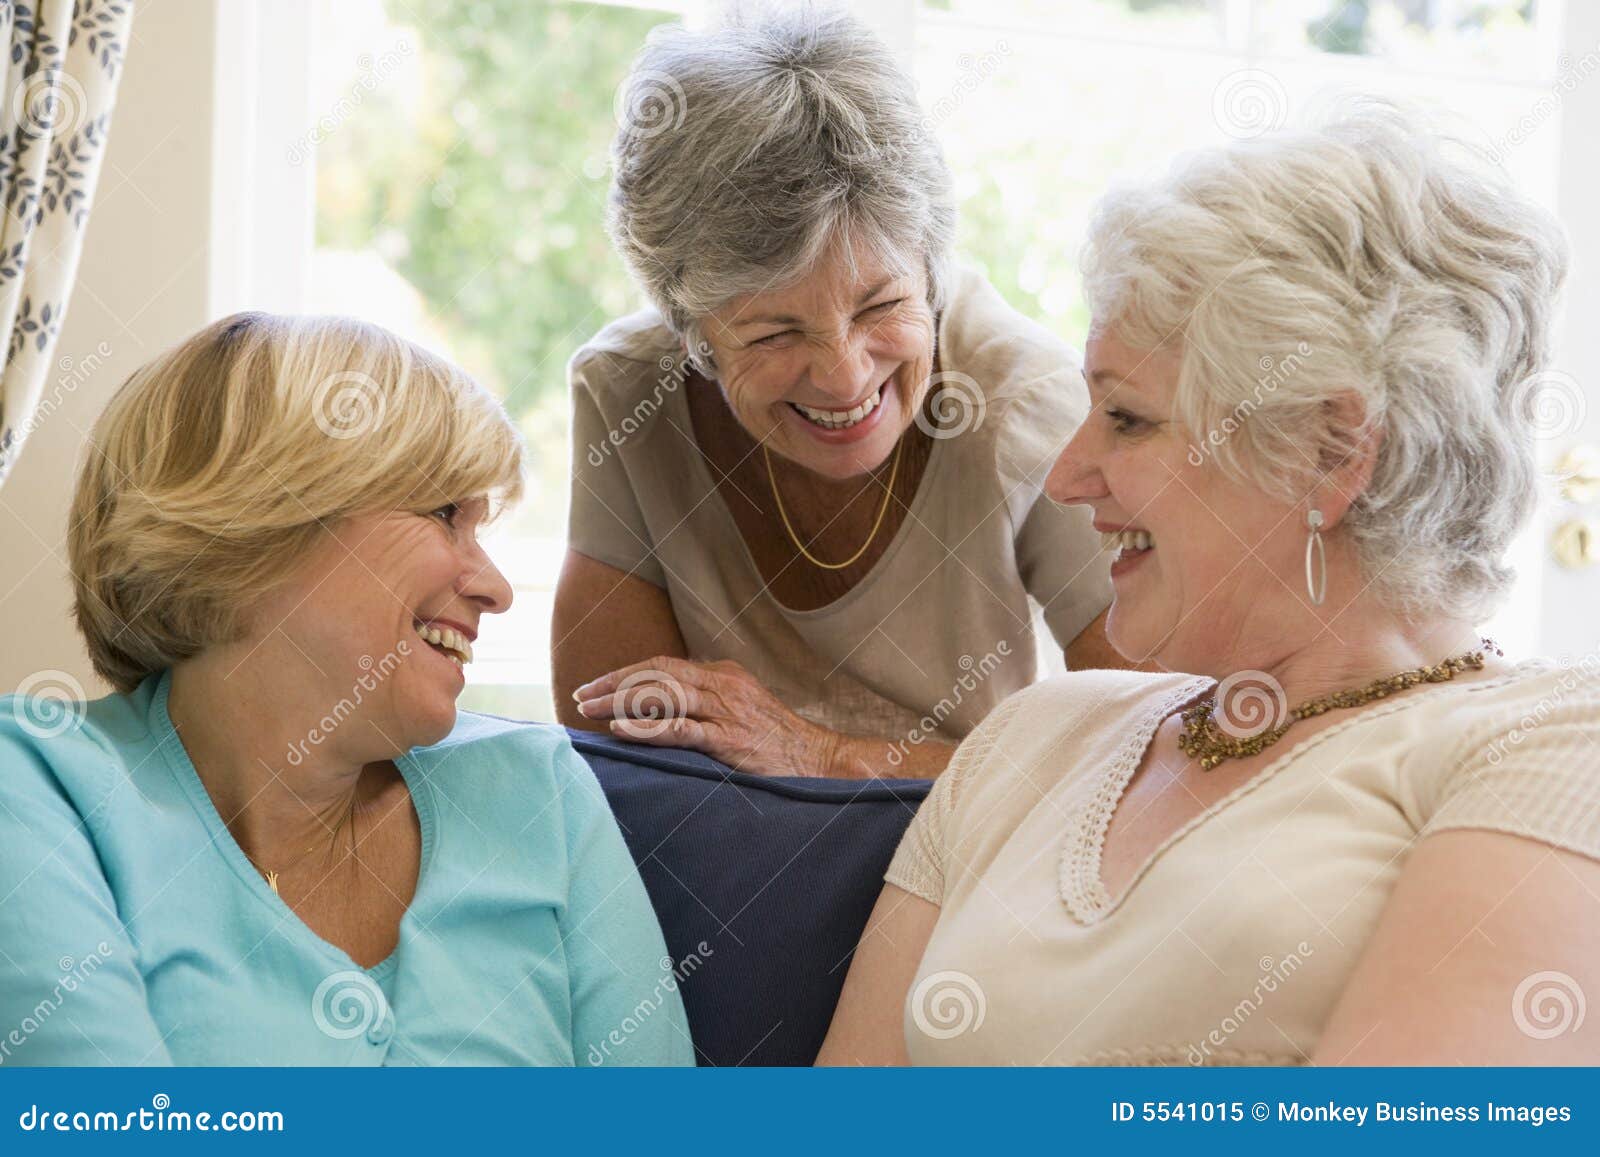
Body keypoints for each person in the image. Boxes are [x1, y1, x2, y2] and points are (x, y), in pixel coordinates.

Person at [819, 102, 1600, 1065]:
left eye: (1129, 419)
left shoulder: (1558, 745)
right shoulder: (1031, 737)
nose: (1066, 476)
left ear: (1330, 449)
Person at [0, 313, 692, 1066]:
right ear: (251, 526)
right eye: (444, 514)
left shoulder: (539, 792)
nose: (494, 587)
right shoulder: (39, 785)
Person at [554, 6, 1122, 779]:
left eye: (881, 305)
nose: (847, 376)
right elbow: (620, 771)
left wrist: (820, 757)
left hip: (964, 853)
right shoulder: (629, 391)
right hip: (718, 853)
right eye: (773, 334)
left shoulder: (1026, 400)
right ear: (692, 333)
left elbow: (1135, 753)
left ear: (927, 264)